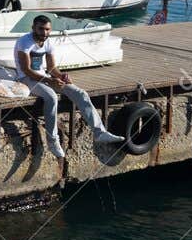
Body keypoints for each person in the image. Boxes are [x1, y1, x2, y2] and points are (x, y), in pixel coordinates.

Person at [14, 15, 123, 158]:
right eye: (41, 29)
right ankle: (53, 141)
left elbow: (52, 68)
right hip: (26, 79)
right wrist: (49, 81)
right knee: (51, 97)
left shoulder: (48, 43)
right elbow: (27, 70)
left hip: (44, 77)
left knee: (80, 93)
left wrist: (61, 76)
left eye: (47, 30)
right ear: (33, 28)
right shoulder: (24, 42)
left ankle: (99, 132)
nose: (44, 33)